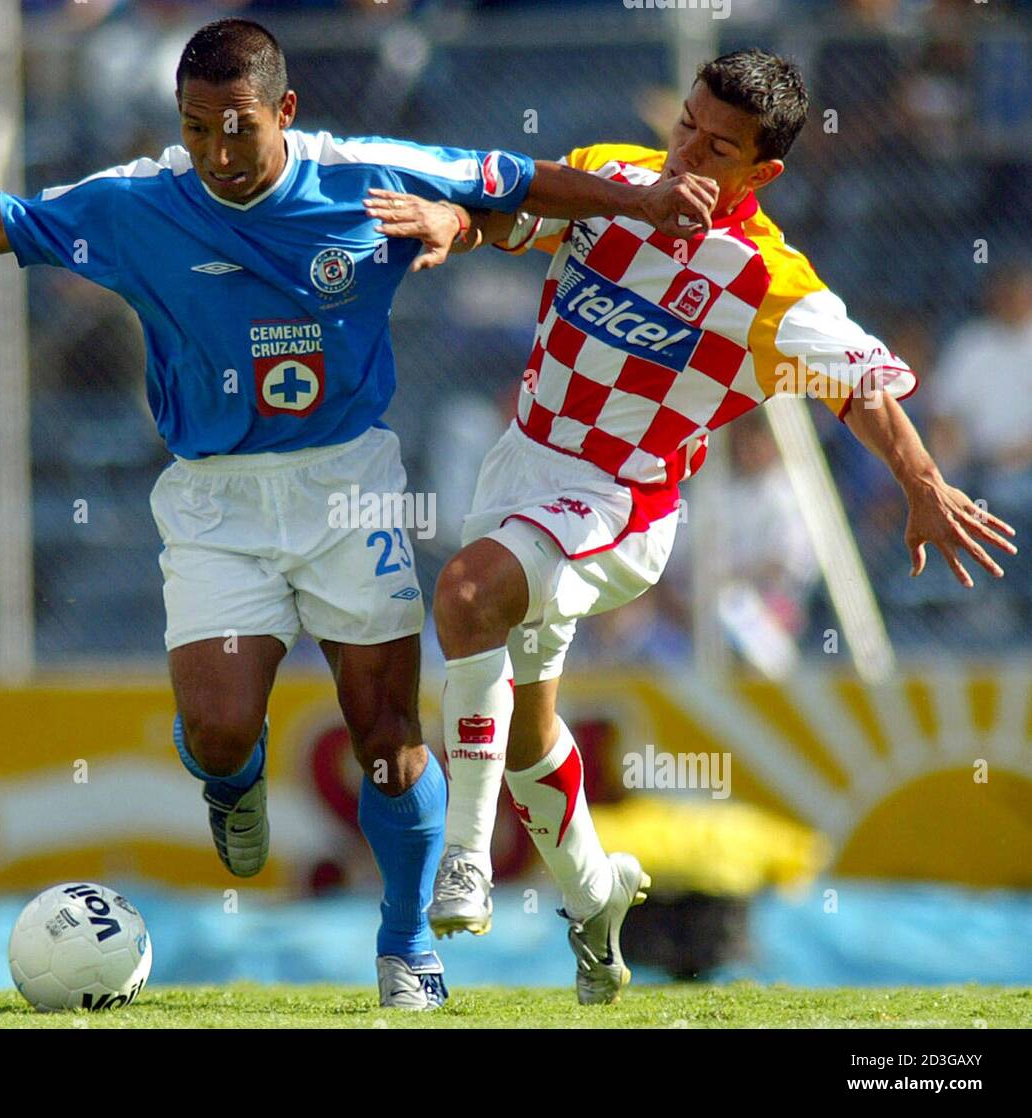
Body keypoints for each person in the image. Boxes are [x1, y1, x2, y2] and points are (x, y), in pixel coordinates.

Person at [0, 18, 716, 1009]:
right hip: (214, 498)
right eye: (196, 127)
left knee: (385, 733)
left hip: (348, 483)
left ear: (285, 112)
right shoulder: (137, 202)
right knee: (216, 728)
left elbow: (516, 179)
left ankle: (407, 945)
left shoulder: (362, 173)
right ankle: (230, 783)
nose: (216, 152)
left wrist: (636, 198)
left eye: (237, 128)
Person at [364, 47, 1017, 1004]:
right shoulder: (618, 176)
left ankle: (465, 859)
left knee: (466, 594)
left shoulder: (769, 283)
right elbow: (517, 219)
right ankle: (596, 901)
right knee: (532, 725)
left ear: (762, 173)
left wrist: (922, 481)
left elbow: (862, 387)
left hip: (620, 504)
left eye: (720, 149)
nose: (689, 154)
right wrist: (451, 221)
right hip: (523, 465)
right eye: (687, 127)